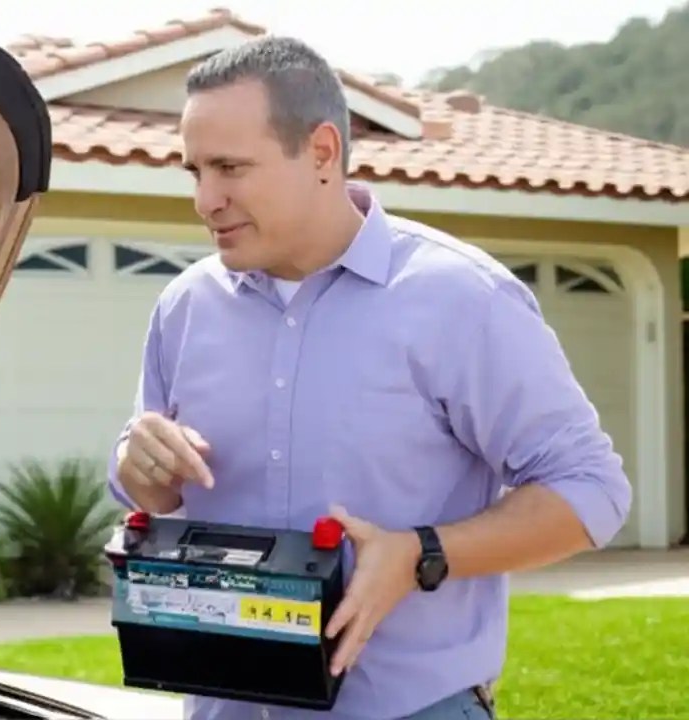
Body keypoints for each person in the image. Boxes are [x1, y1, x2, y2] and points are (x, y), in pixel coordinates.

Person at [106, 35, 632, 720]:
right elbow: (143, 479)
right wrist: (139, 464)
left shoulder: (460, 299)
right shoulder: (185, 307)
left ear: (321, 152)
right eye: (194, 171)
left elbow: (591, 489)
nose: (206, 200)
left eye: (230, 168)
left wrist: (422, 554)